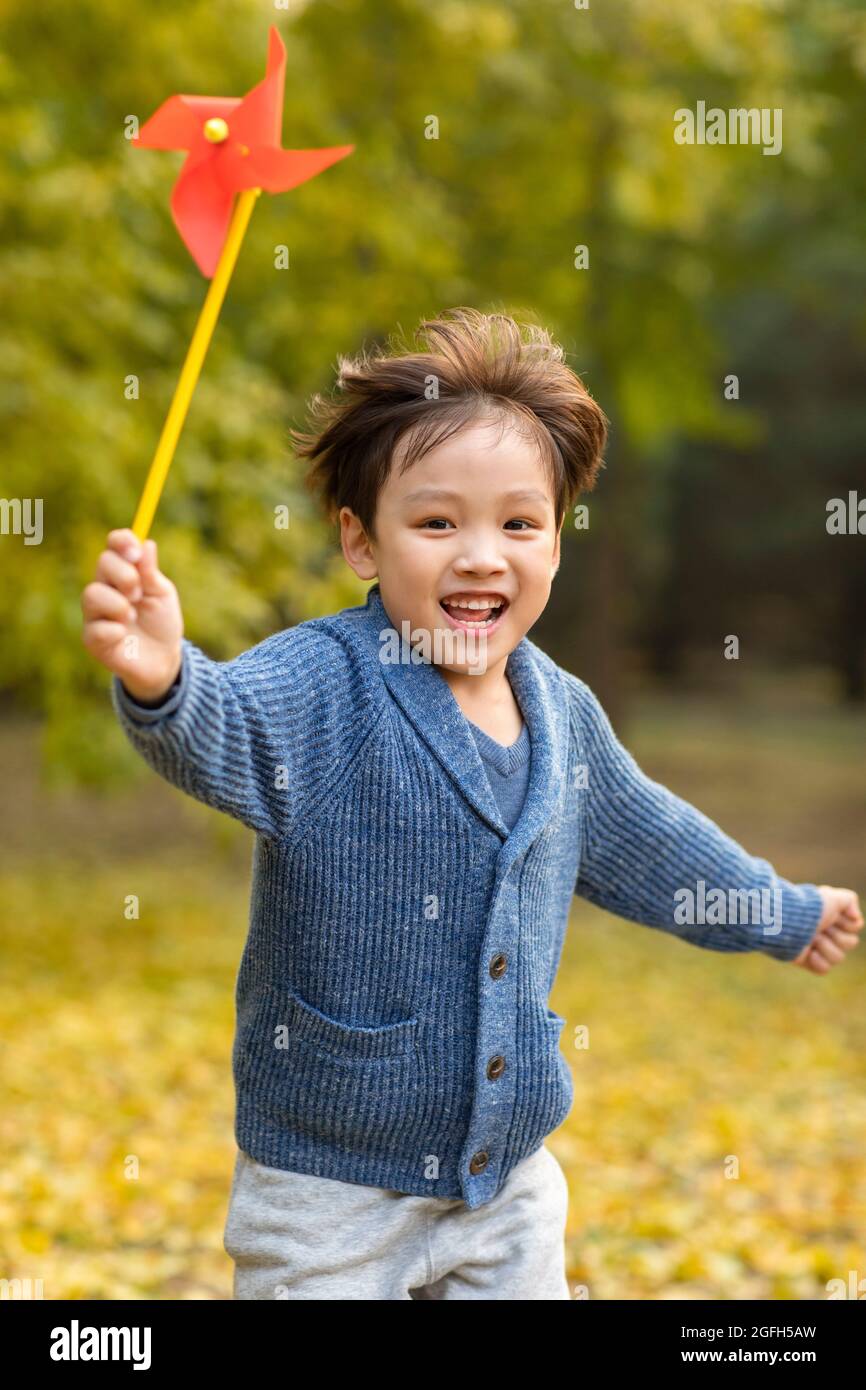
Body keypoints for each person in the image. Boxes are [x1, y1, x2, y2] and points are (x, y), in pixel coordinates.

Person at [80, 307, 863, 1299]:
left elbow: (656, 848)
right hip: (329, 1192)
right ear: (361, 542)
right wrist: (165, 681)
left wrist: (781, 912)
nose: (481, 554)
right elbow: (231, 731)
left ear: (554, 546)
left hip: (506, 1186)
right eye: (437, 521)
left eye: (517, 523)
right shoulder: (329, 684)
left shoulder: (562, 716)